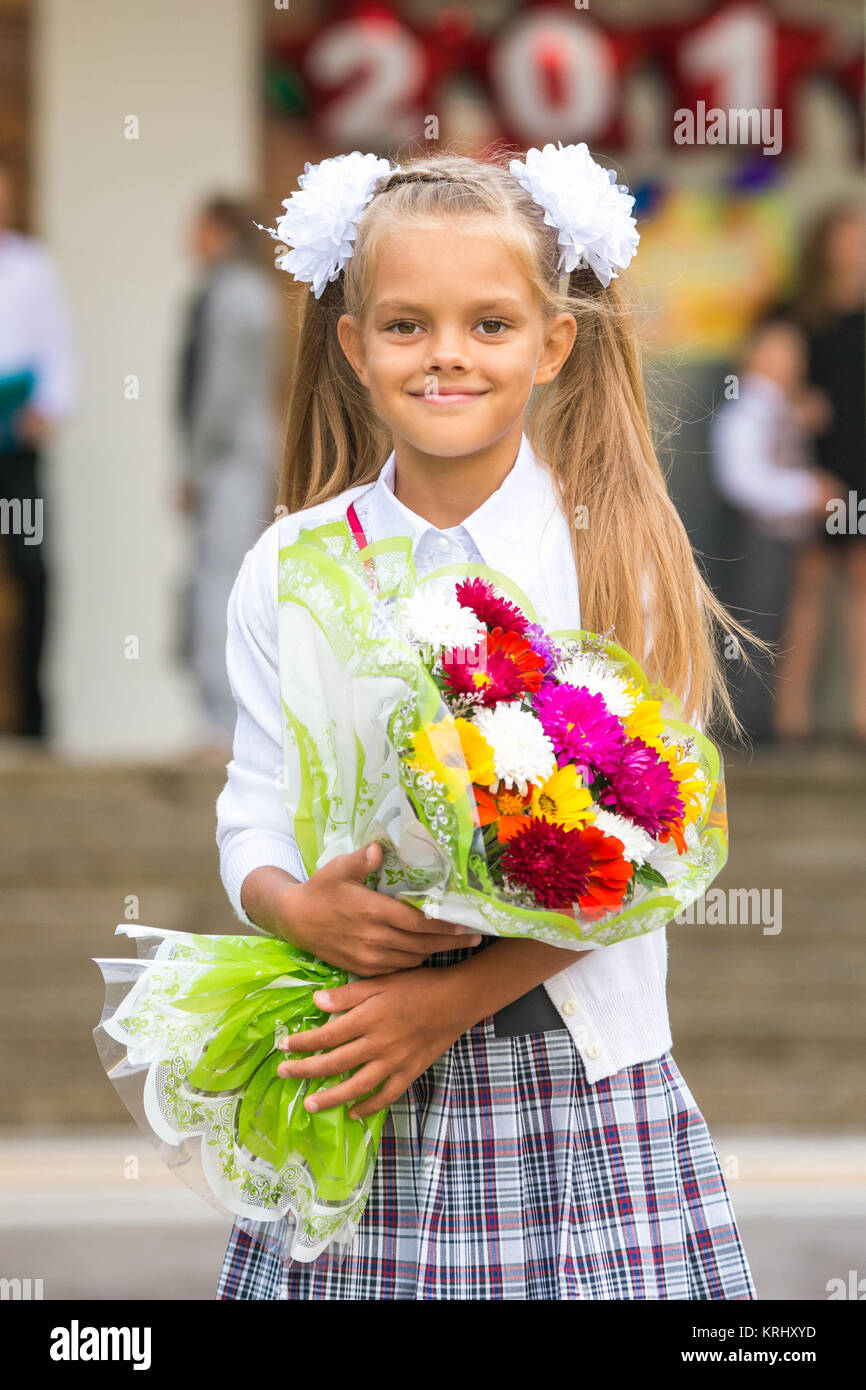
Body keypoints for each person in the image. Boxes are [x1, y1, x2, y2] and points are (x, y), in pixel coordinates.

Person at [214, 148, 757, 1300]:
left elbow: (651, 849)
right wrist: (295, 901)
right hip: (360, 1074)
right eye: (405, 325)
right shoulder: (292, 566)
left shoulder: (611, 553)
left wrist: (445, 999)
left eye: (490, 323)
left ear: (551, 343)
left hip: (578, 1086)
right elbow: (252, 804)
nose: (447, 354)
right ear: (353, 344)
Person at [172, 194, 281, 759]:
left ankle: (223, 718)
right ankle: (220, 714)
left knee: (221, 581)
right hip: (229, 457)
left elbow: (221, 392)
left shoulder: (238, 297)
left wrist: (194, 465)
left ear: (218, 230)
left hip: (231, 459)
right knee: (214, 577)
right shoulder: (229, 293)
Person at [710, 309, 839, 744]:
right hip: (757, 541)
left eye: (795, 351)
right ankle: (748, 725)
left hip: (784, 542)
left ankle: (770, 722)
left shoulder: (782, 409)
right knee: (754, 630)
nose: (791, 360)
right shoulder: (748, 408)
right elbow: (743, 481)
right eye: (779, 348)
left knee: (779, 631)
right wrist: (807, 492)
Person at [777, 204, 866, 743]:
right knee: (807, 582)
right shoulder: (795, 316)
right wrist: (793, 405)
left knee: (860, 581)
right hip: (812, 470)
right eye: (845, 238)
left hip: (861, 464)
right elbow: (759, 381)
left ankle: (861, 716)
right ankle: (791, 719)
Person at [0, 163, 76, 738]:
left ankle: (32, 716)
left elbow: (56, 347)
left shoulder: (31, 266)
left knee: (31, 566)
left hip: (15, 457)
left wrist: (45, 409)